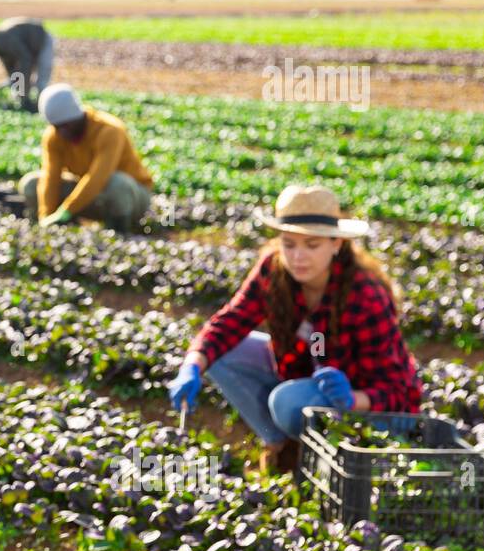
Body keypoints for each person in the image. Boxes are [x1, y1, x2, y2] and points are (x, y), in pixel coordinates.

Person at [167, 185, 422, 474]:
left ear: (336, 243)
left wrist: (353, 400)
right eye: (289, 244)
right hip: (307, 378)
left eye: (312, 245)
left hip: (369, 405)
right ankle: (283, 446)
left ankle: (328, 454)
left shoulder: (365, 296)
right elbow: (229, 322)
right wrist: (192, 365)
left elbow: (398, 392)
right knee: (222, 353)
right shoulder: (273, 270)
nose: (298, 257)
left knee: (288, 401)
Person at [17, 84, 153, 234]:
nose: (62, 132)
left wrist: (67, 210)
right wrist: (46, 216)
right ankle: (62, 229)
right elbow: (51, 177)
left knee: (117, 183)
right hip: (90, 195)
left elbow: (98, 178)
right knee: (32, 184)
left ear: (76, 116)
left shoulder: (110, 131)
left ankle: (119, 231)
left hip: (130, 196)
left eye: (66, 125)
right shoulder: (54, 136)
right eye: (57, 127)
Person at [0, 16, 54, 111]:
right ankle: (29, 102)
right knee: (19, 78)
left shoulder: (7, 40)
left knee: (42, 78)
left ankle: (44, 106)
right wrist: (17, 84)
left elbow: (25, 61)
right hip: (30, 46)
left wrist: (23, 91)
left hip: (42, 39)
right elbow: (11, 69)